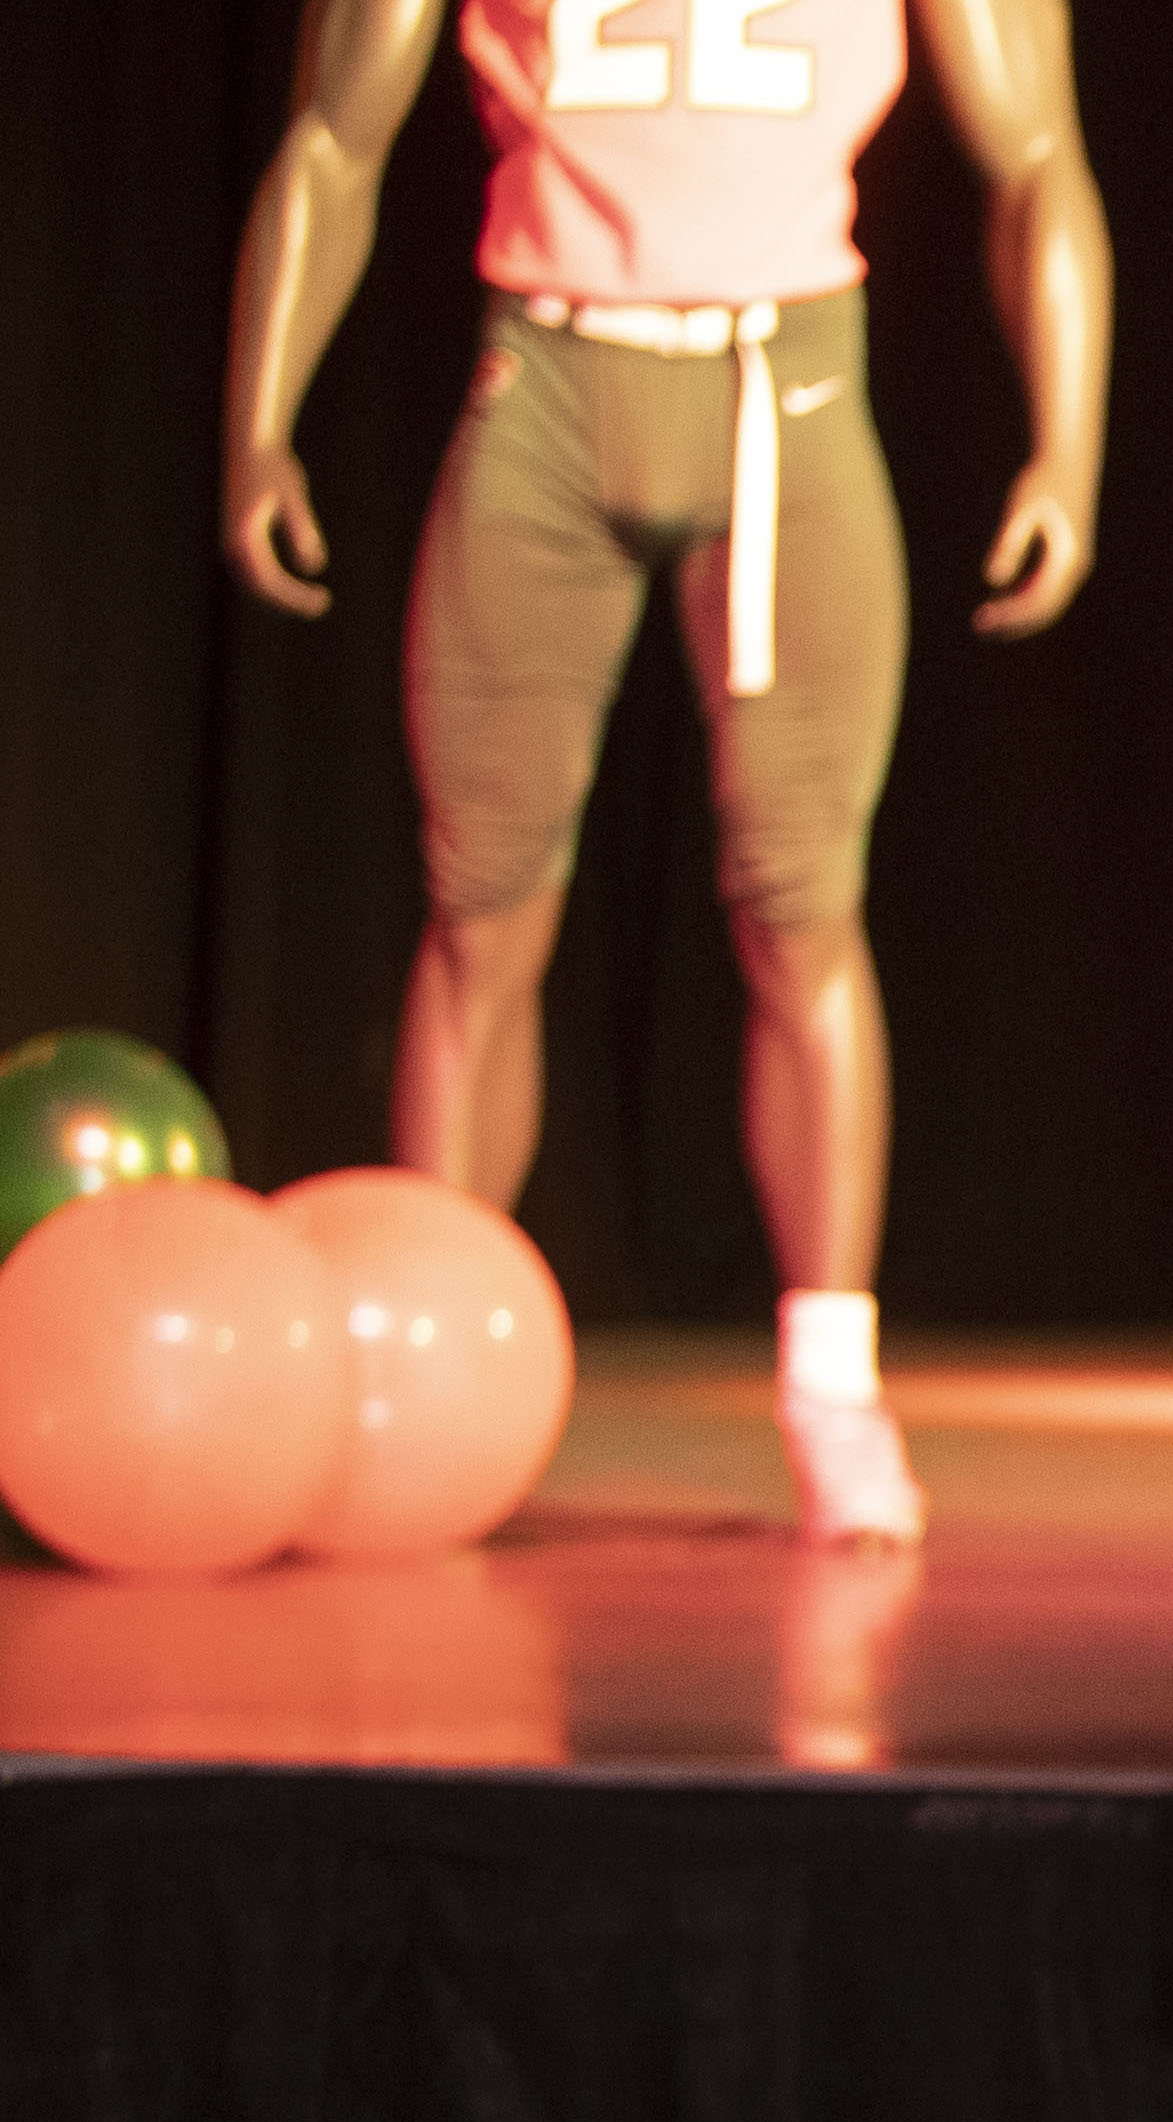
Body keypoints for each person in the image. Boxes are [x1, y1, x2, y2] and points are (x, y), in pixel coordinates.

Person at [219, 0, 1117, 1544]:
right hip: (547, 381)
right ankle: (441, 1370)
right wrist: (255, 427)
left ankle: (832, 1389)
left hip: (784, 389)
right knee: (482, 904)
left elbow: (1038, 155)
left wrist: (1068, 447)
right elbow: (330, 137)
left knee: (799, 906)